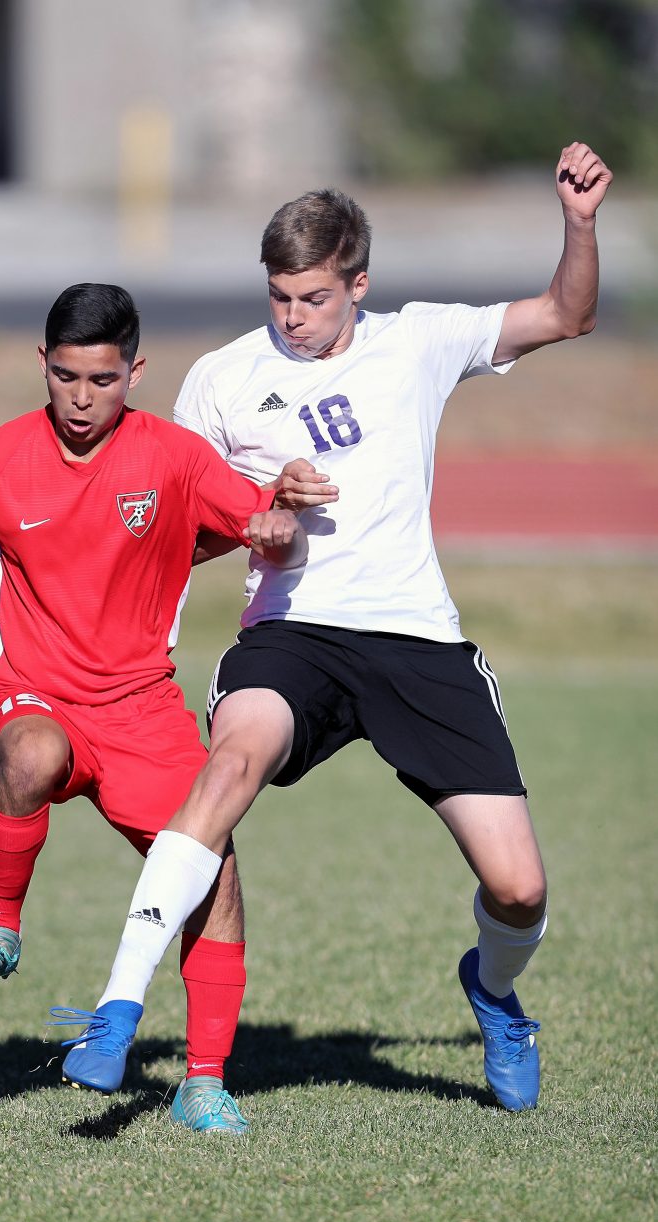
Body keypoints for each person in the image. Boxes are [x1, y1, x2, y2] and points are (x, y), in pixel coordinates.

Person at [64, 142, 614, 1124]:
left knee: (520, 888)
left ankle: (491, 993)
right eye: (278, 295)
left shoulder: (419, 341)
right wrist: (253, 508)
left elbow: (565, 314)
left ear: (359, 283)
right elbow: (175, 542)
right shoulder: (225, 380)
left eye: (312, 297)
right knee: (227, 767)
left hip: (413, 639)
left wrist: (577, 223)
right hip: (292, 633)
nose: (291, 317)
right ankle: (116, 1008)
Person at [0, 283, 306, 1133]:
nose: (82, 399)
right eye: (64, 377)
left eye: (103, 379)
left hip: (142, 709)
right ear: (41, 366)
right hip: (35, 691)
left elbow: (260, 517)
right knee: (32, 755)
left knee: (215, 879)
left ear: (135, 370)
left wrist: (276, 524)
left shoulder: (174, 457)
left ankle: (201, 1083)